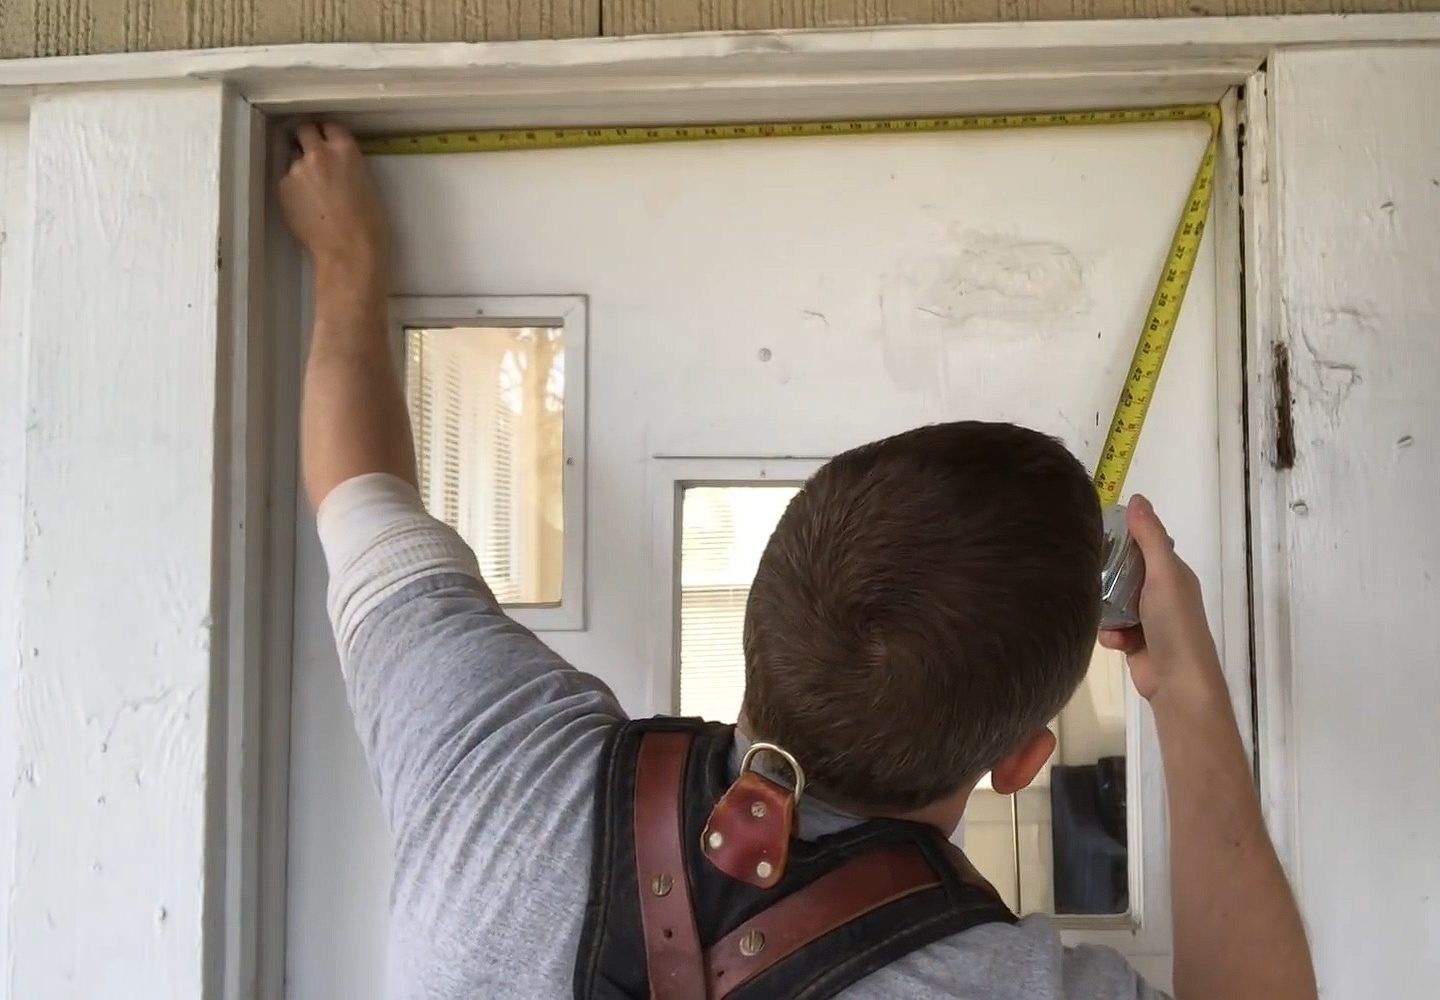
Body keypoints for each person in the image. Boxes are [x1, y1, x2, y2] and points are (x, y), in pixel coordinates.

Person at [279, 121, 1318, 1000]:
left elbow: (360, 500)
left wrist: (345, 267)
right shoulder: (1004, 984)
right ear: (1018, 765)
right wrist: (1183, 690)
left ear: (758, 622)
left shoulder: (496, 759)